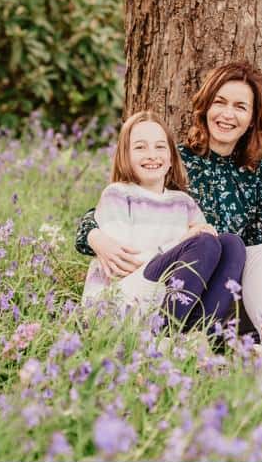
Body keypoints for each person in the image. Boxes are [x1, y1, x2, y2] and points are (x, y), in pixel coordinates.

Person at [75, 62, 262, 355]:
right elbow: (113, 208)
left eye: (240, 107)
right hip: (156, 278)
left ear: (252, 118)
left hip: (223, 282)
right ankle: (169, 336)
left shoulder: (255, 172)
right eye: (220, 102)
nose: (228, 114)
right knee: (206, 242)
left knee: (237, 244)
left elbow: (256, 240)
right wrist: (93, 236)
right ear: (205, 107)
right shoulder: (177, 160)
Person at [80, 110, 237, 330]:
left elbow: (205, 257)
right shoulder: (117, 195)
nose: (152, 155)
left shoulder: (183, 202)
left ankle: (198, 332)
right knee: (203, 242)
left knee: (231, 244)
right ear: (125, 155)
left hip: (168, 298)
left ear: (171, 157)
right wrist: (182, 243)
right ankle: (164, 334)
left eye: (160, 147)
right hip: (120, 301)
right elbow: (122, 267)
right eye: (140, 147)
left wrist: (191, 243)